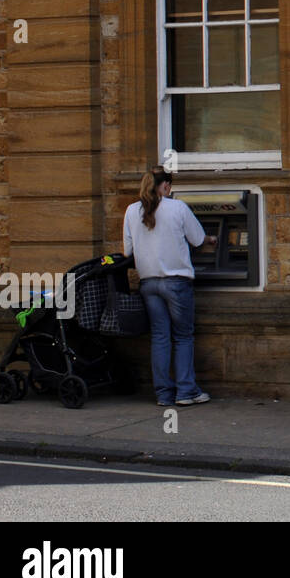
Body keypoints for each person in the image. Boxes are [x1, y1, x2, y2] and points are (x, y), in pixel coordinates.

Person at [123, 167, 214, 407]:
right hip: (176, 282)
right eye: (169, 186)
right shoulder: (178, 207)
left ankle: (163, 394)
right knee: (183, 336)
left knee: (160, 337)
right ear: (165, 186)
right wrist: (210, 240)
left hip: (148, 282)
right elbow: (197, 238)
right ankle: (186, 391)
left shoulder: (132, 211)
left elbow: (128, 252)